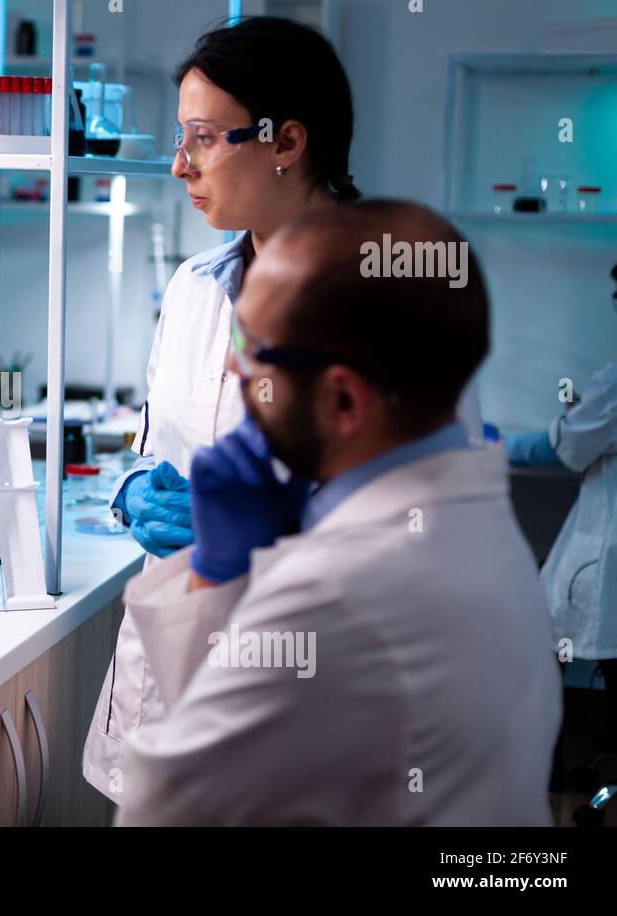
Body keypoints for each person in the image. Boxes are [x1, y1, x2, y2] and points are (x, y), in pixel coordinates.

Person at [83, 17, 482, 801]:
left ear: (286, 142)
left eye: (202, 138)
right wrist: (135, 489)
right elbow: (157, 443)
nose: (178, 164)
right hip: (172, 671)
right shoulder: (195, 287)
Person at [115, 200, 560, 825]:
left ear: (344, 398)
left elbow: (164, 810)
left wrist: (217, 575)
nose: (231, 367)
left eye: (255, 349)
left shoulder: (332, 591)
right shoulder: (474, 512)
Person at [500, 262, 617, 750]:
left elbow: (564, 447)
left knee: (539, 633)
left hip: (605, 551)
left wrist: (485, 446)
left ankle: (541, 763)